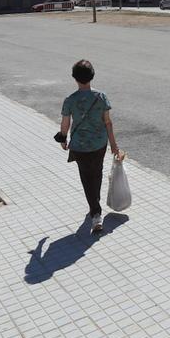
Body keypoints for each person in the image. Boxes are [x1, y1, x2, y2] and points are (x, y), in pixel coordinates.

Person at [59, 59, 123, 234]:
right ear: (92, 76)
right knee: (97, 173)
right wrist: (113, 144)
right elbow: (108, 123)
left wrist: (63, 138)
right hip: (99, 144)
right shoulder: (101, 97)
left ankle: (96, 213)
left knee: (86, 178)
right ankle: (95, 203)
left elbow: (65, 124)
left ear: (75, 78)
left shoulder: (70, 100)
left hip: (79, 146)